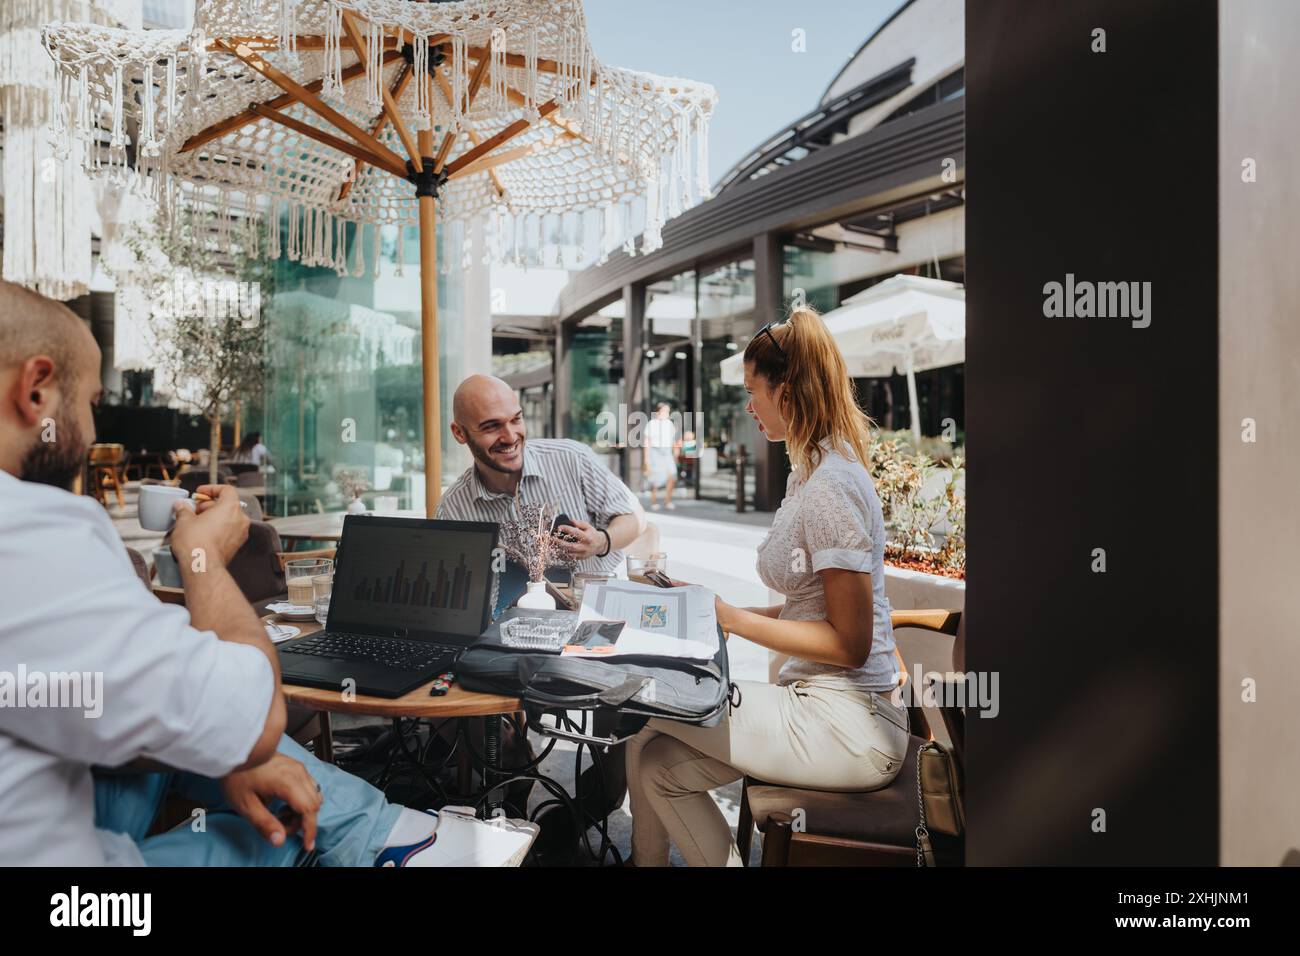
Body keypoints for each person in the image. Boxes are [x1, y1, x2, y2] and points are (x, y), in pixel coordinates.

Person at [0, 281, 520, 866]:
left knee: (230, 761)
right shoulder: (28, 530)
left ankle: (391, 835)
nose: (95, 434)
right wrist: (202, 557)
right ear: (36, 389)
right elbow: (255, 716)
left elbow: (111, 704)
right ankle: (399, 840)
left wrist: (231, 755)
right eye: (92, 404)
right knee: (284, 822)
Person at [625, 307, 910, 866]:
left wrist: (728, 617)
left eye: (753, 390)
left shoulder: (830, 488)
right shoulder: (812, 472)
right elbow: (809, 608)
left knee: (640, 701)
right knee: (654, 761)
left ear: (788, 390)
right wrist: (708, 610)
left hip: (851, 727)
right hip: (815, 706)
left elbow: (850, 644)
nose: (748, 405)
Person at [439, 374, 647, 575]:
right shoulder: (452, 509)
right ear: (459, 433)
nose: (510, 437)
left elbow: (635, 519)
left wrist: (601, 542)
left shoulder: (572, 457)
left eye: (516, 419)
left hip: (596, 602)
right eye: (491, 427)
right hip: (511, 611)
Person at [642, 402, 679, 510]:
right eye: (665, 411)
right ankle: (654, 502)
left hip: (667, 452)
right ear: (658, 411)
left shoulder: (670, 424)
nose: (667, 413)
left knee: (672, 475)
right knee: (656, 478)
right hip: (655, 452)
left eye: (668, 411)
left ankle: (668, 501)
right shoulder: (651, 424)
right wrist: (646, 459)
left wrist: (675, 453)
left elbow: (673, 441)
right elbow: (647, 443)